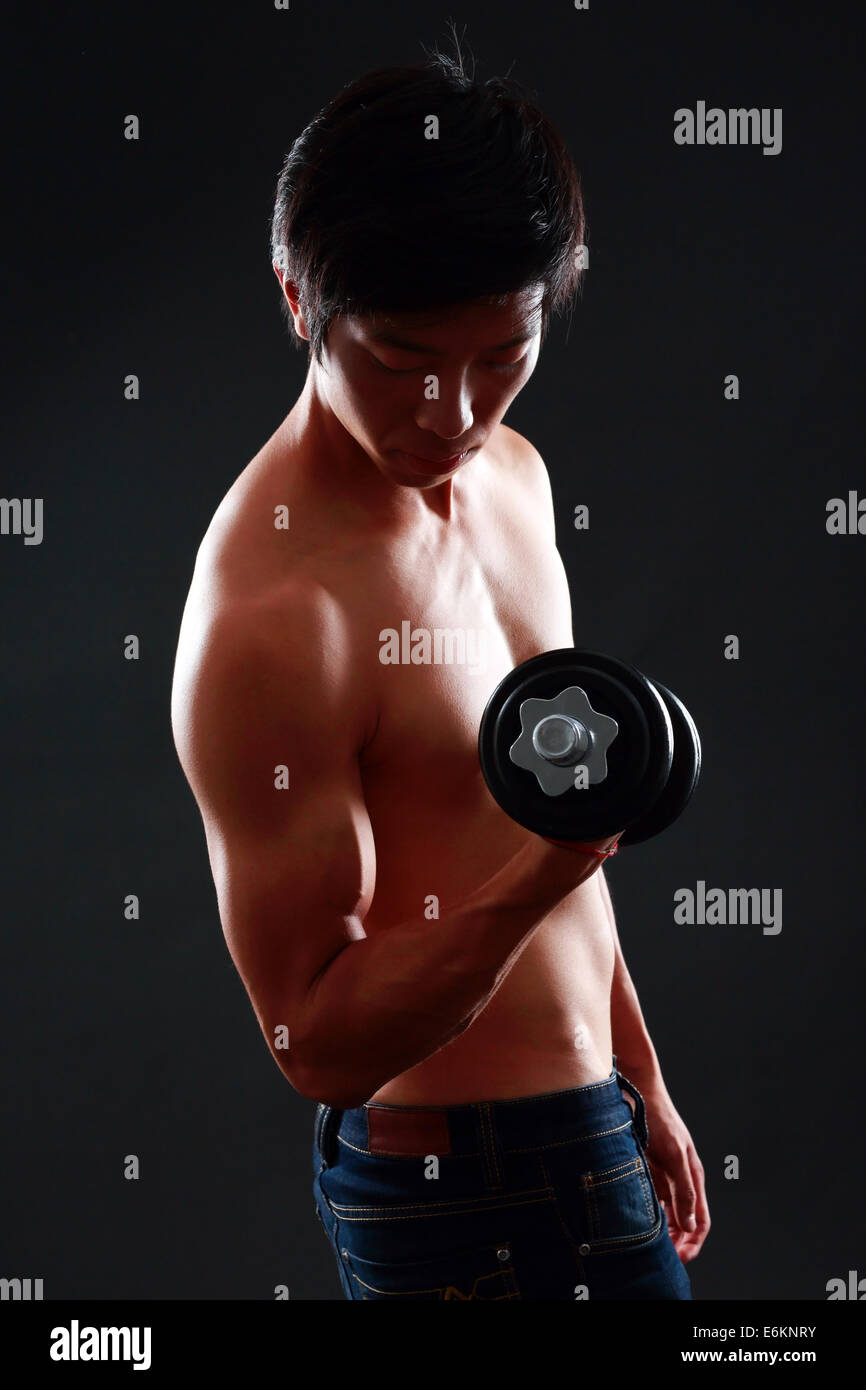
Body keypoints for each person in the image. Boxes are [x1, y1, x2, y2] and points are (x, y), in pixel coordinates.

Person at [170, 43, 709, 1301]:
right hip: (454, 1186)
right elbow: (317, 1040)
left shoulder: (515, 479)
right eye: (402, 357)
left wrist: (639, 1074)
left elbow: (547, 822)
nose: (451, 413)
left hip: (594, 1134)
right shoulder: (273, 612)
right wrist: (549, 870)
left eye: (499, 355)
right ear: (299, 301)